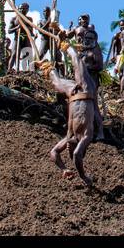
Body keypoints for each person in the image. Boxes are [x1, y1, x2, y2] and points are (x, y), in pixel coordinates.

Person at [46, 37, 103, 186]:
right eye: (71, 148)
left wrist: (63, 169)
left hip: (73, 94)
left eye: (69, 148)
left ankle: (48, 68)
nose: (69, 147)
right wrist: (84, 177)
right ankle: (67, 45)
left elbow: (53, 152)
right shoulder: (86, 135)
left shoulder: (69, 136)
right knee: (78, 63)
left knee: (56, 82)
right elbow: (77, 155)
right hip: (85, 91)